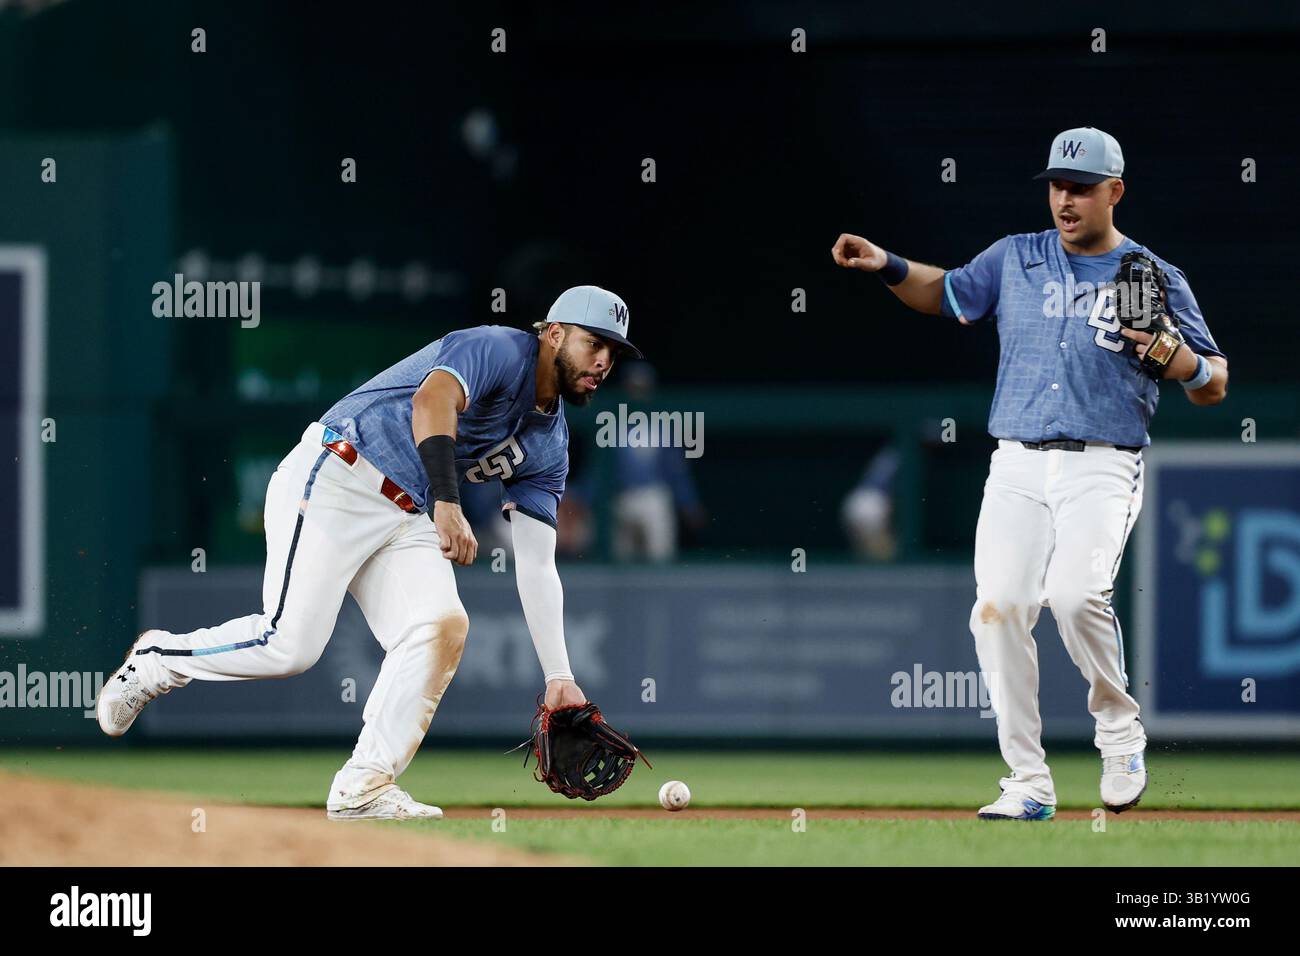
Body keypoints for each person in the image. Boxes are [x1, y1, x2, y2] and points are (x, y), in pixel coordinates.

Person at [95, 285, 640, 821]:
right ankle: (158, 661)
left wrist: (558, 676)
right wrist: (449, 504)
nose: (603, 360)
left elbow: (539, 565)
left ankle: (364, 785)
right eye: (594, 342)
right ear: (553, 333)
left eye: (613, 352)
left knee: (439, 625)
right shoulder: (498, 348)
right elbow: (432, 400)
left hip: (406, 512)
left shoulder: (549, 444)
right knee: (290, 646)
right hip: (338, 472)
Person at [831, 127, 1227, 820]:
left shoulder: (1152, 275)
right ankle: (1028, 782)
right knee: (998, 609)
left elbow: (1214, 382)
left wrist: (1178, 359)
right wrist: (887, 263)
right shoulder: (1016, 257)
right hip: (1014, 461)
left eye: (1079, 186)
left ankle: (1117, 728)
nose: (1064, 198)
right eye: (1056, 185)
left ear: (1115, 192)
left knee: (1075, 597)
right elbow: (947, 294)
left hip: (1102, 464)